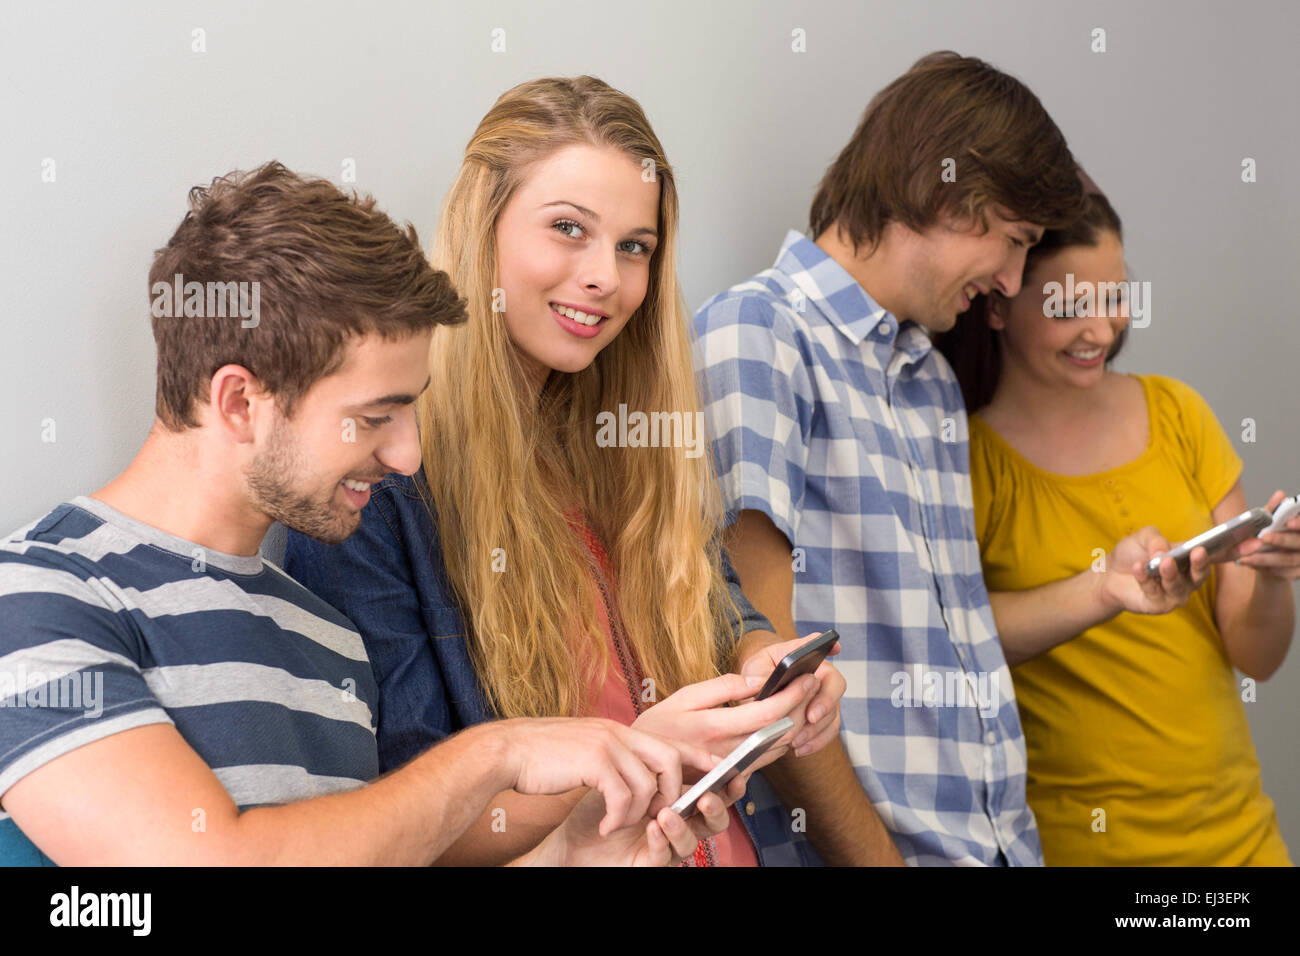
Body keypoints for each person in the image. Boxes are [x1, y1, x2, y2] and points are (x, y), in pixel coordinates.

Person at [0, 161, 743, 866]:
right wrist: (498, 752)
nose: (407, 457)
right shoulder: (39, 600)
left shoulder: (324, 634)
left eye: (410, 410)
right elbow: (207, 859)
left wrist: (572, 854)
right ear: (238, 401)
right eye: (376, 416)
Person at [285, 76, 864, 867]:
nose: (605, 277)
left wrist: (759, 661)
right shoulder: (381, 484)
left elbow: (715, 596)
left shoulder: (625, 445)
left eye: (635, 247)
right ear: (482, 229)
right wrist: (632, 757)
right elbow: (416, 819)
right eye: (568, 229)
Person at [692, 51, 1089, 865]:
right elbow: (766, 666)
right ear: (947, 194)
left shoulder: (930, 378)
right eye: (1013, 242)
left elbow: (956, 635)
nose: (1013, 282)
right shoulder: (758, 335)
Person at [935, 185, 1296, 865]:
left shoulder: (1179, 414)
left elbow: (1258, 657)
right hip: (1083, 848)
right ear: (998, 302)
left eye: (1114, 297)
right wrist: (1101, 586)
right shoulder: (970, 461)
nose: (1101, 329)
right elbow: (961, 639)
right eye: (1071, 307)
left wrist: (1272, 578)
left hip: (1241, 842)